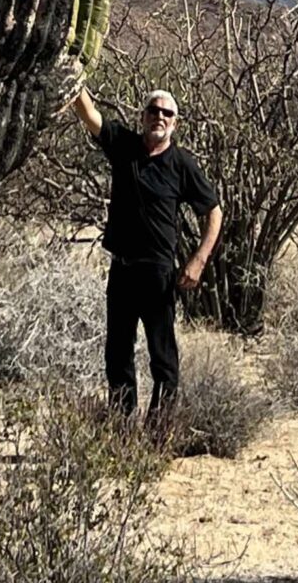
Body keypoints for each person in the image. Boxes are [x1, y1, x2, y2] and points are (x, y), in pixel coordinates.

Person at [68, 77, 222, 420]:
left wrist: (198, 260)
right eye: (154, 110)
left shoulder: (182, 164)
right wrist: (72, 71)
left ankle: (159, 430)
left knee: (163, 356)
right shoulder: (124, 145)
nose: (160, 117)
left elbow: (213, 211)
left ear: (175, 123)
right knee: (118, 354)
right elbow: (89, 114)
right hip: (122, 269)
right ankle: (122, 427)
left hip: (159, 273)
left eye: (167, 113)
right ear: (143, 116)